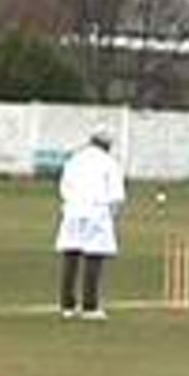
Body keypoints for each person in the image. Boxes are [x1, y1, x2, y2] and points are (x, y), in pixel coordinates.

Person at [55, 131, 126, 320]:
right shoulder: (109, 163)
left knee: (71, 255)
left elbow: (64, 188)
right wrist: (112, 215)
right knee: (94, 257)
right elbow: (116, 195)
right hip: (97, 211)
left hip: (72, 211)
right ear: (106, 145)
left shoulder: (74, 160)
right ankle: (90, 306)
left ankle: (67, 306)